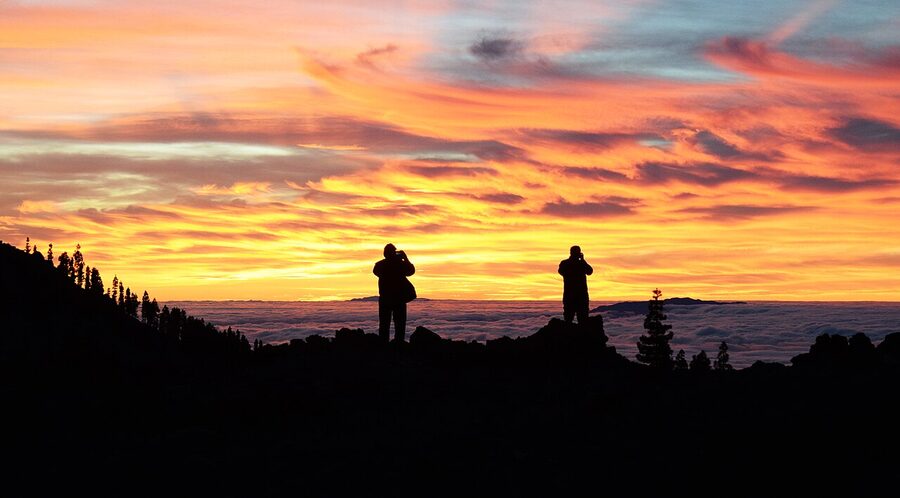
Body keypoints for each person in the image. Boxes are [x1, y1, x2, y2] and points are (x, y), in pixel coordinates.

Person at [373, 243, 416, 342]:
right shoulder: (400, 265)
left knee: (384, 324)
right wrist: (405, 259)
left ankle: (384, 346)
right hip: (399, 299)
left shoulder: (379, 265)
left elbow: (376, 272)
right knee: (400, 324)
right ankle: (398, 345)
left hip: (385, 298)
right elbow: (411, 271)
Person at [558, 245, 593, 325]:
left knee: (571, 319)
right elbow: (589, 271)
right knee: (574, 319)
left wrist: (583, 261)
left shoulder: (567, 263)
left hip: (574, 296)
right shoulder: (566, 263)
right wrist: (582, 261)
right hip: (577, 296)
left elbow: (590, 271)